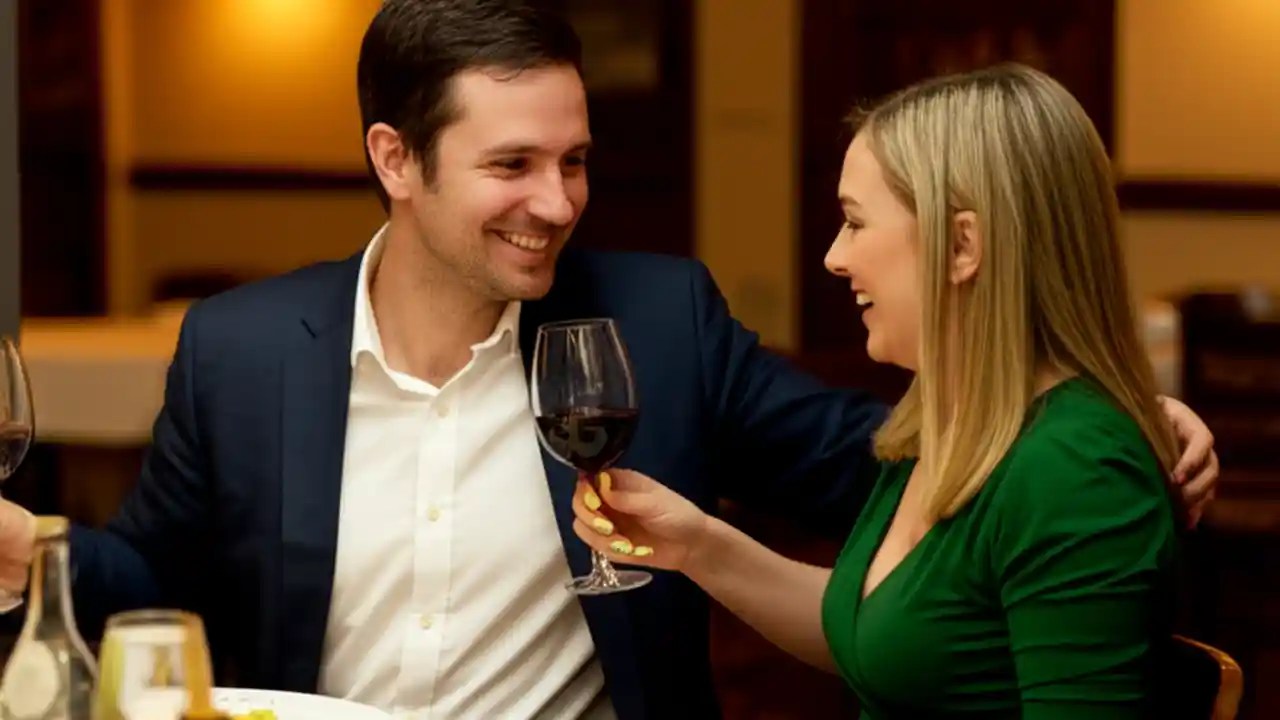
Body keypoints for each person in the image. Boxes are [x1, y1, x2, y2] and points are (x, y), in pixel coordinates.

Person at [0, 4, 1216, 720]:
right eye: (512, 165)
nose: (558, 202)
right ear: (395, 159)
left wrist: (1100, 407)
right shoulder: (241, 349)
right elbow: (150, 582)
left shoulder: (655, 322)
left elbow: (903, 483)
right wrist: (36, 554)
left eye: (573, 161)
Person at [571, 64, 1196, 718]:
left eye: (856, 223)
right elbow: (886, 635)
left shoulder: (1073, 469)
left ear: (962, 245)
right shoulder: (947, 424)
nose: (835, 257)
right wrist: (697, 544)